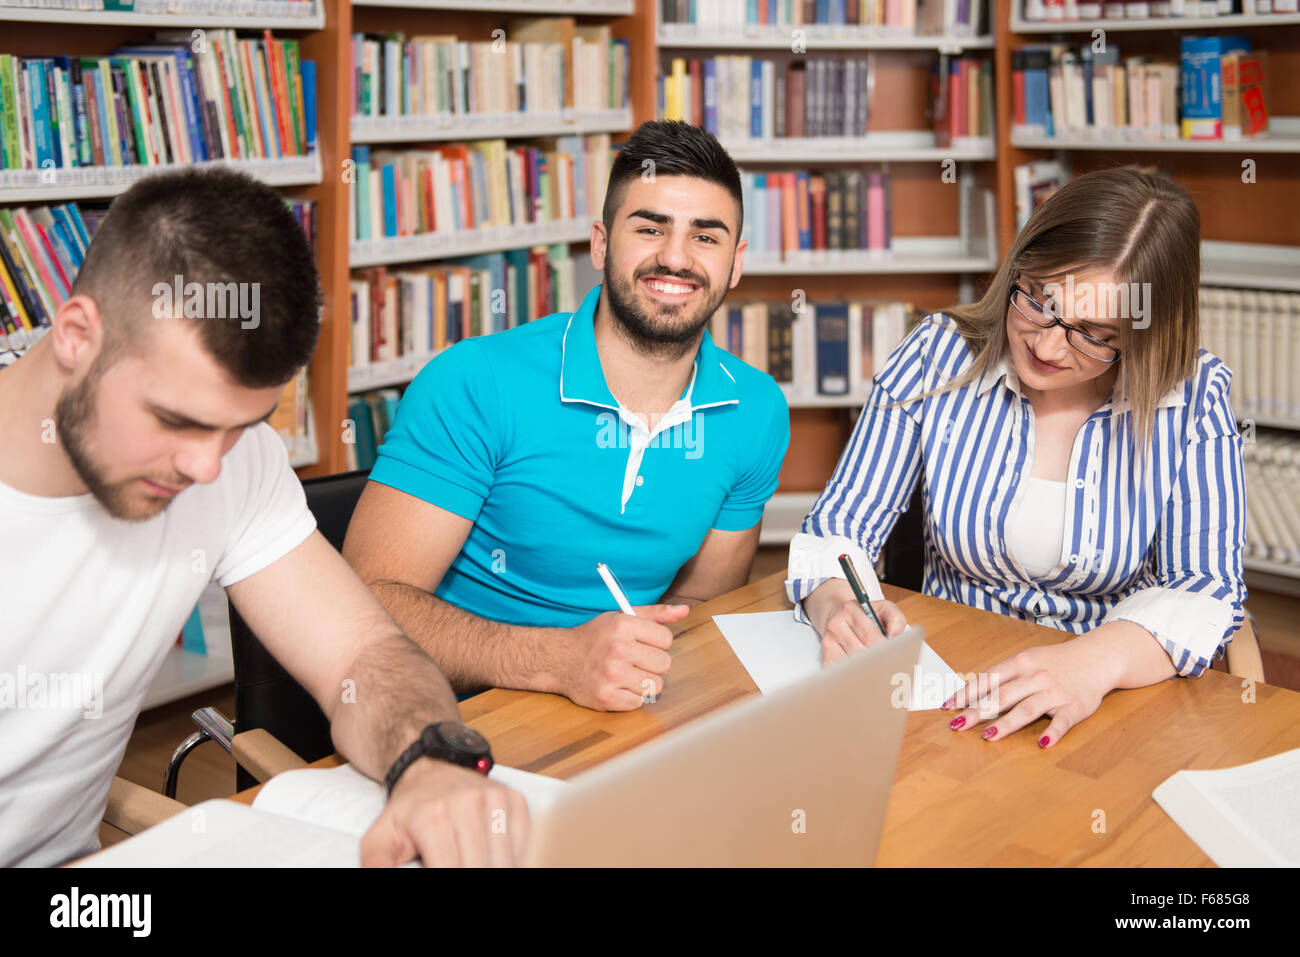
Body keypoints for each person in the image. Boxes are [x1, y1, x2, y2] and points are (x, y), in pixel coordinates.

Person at [0, 169, 527, 867]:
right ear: (76, 335)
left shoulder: (234, 461)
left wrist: (426, 756)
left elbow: (362, 655)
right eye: (176, 420)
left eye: (238, 426)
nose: (206, 468)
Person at [786, 168, 1246, 747]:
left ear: (1146, 333)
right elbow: (839, 526)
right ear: (1018, 268)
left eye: (1095, 334)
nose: (1048, 346)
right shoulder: (936, 355)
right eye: (1040, 302)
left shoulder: (1194, 396)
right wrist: (837, 606)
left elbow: (1206, 585)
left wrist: (1090, 663)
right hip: (954, 693)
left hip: (1108, 704)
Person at [342, 120, 790, 712]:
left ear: (736, 263)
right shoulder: (476, 381)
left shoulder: (756, 410)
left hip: (625, 710)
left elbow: (699, 609)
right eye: (650, 228)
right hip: (454, 707)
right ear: (601, 244)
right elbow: (366, 602)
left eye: (705, 237)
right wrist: (560, 661)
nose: (674, 258)